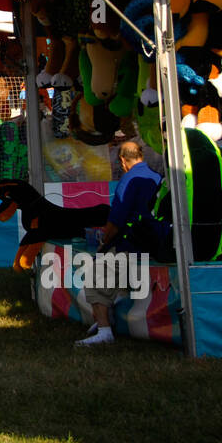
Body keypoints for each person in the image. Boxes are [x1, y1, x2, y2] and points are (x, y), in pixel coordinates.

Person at [76, 142, 162, 347]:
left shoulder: (129, 179)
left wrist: (104, 242)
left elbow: (116, 220)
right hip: (157, 243)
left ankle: (105, 329)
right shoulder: (157, 177)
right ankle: (109, 317)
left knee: (95, 276)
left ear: (123, 161)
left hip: (132, 245)